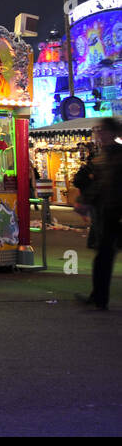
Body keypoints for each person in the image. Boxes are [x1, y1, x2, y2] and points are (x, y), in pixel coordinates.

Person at [78, 118, 122, 311]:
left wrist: (85, 201)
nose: (99, 134)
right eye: (98, 131)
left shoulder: (115, 156)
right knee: (103, 255)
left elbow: (104, 185)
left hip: (114, 213)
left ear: (112, 133)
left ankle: (99, 297)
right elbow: (98, 184)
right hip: (107, 212)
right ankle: (98, 296)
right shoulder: (103, 155)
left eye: (102, 131)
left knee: (104, 255)